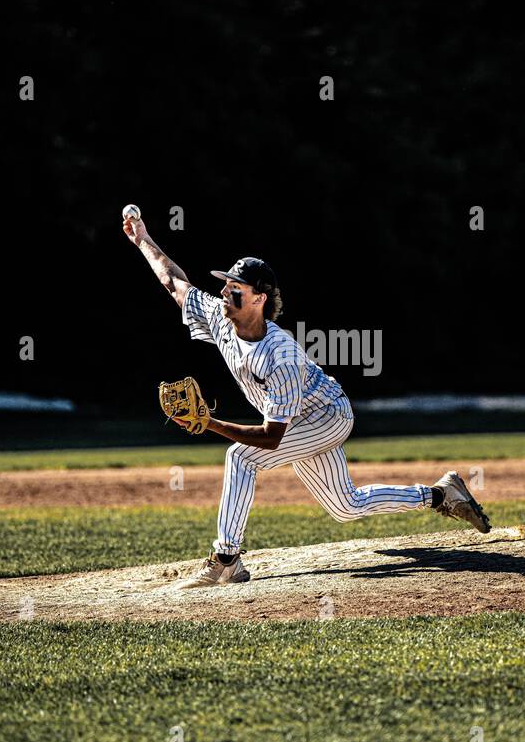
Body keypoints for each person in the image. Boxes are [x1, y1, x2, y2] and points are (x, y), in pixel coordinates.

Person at [124, 211, 491, 587]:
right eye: (225, 284)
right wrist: (143, 240)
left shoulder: (279, 355)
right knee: (345, 506)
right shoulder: (221, 319)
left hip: (327, 417)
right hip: (299, 421)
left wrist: (212, 424)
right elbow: (175, 283)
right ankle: (440, 494)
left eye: (234, 287)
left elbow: (271, 438)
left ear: (258, 299)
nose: (224, 291)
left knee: (241, 456)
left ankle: (226, 558)